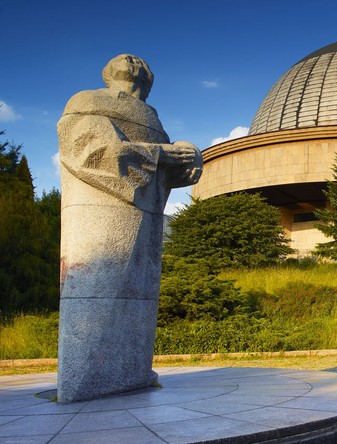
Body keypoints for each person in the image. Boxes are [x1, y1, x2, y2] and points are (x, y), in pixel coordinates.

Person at [57, 54, 203, 402]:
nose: (131, 60)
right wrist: (161, 154)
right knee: (98, 282)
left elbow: (162, 171)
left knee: (138, 288)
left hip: (145, 213)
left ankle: (130, 373)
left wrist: (189, 158)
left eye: (139, 62)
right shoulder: (86, 100)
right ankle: (84, 382)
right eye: (123, 60)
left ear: (149, 81)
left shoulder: (152, 118)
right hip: (100, 209)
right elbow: (90, 152)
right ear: (107, 74)